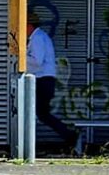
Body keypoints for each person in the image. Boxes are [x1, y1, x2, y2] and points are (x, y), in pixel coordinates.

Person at [26, 19, 78, 149]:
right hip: (44, 80)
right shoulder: (39, 37)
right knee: (40, 113)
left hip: (42, 80)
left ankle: (69, 135)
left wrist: (20, 56)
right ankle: (68, 135)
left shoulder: (38, 38)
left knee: (40, 113)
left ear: (29, 25)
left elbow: (37, 61)